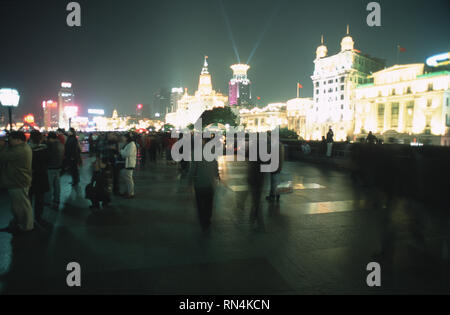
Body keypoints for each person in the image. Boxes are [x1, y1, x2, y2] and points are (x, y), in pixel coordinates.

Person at [0, 131, 34, 234]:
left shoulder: (20, 150)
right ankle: (19, 224)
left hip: (18, 181)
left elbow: (2, 157)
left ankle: (27, 227)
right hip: (17, 181)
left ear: (18, 140)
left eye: (11, 139)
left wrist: (3, 146)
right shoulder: (21, 147)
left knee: (23, 207)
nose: (9, 141)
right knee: (18, 206)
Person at [189, 137, 219, 233]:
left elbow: (193, 168)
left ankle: (202, 220)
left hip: (199, 182)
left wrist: (189, 180)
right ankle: (207, 220)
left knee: (199, 202)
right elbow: (215, 165)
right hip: (209, 182)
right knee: (208, 202)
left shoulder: (196, 152)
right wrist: (217, 175)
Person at [28, 130, 50, 224]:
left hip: (30, 177)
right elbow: (48, 161)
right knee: (39, 199)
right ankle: (38, 217)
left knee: (28, 199)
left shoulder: (28, 149)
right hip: (42, 176)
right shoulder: (45, 148)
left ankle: (28, 218)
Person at [46, 131, 64, 210]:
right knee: (57, 185)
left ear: (50, 138)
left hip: (50, 167)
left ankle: (48, 201)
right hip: (58, 167)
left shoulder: (49, 145)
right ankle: (57, 201)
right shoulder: (60, 144)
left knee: (49, 186)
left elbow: (48, 157)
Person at [120, 133, 137, 198]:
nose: (122, 138)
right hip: (126, 163)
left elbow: (127, 154)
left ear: (127, 138)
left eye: (123, 137)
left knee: (129, 179)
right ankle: (127, 191)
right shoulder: (129, 144)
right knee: (126, 179)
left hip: (129, 164)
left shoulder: (131, 144)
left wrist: (121, 151)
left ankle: (130, 193)